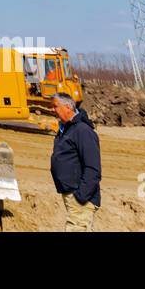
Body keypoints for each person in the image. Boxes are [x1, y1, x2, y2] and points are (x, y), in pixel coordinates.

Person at [49, 92, 100, 231]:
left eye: (55, 106)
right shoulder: (67, 129)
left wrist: (81, 196)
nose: (52, 110)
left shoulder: (83, 131)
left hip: (80, 197)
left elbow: (93, 168)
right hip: (72, 195)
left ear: (67, 107)